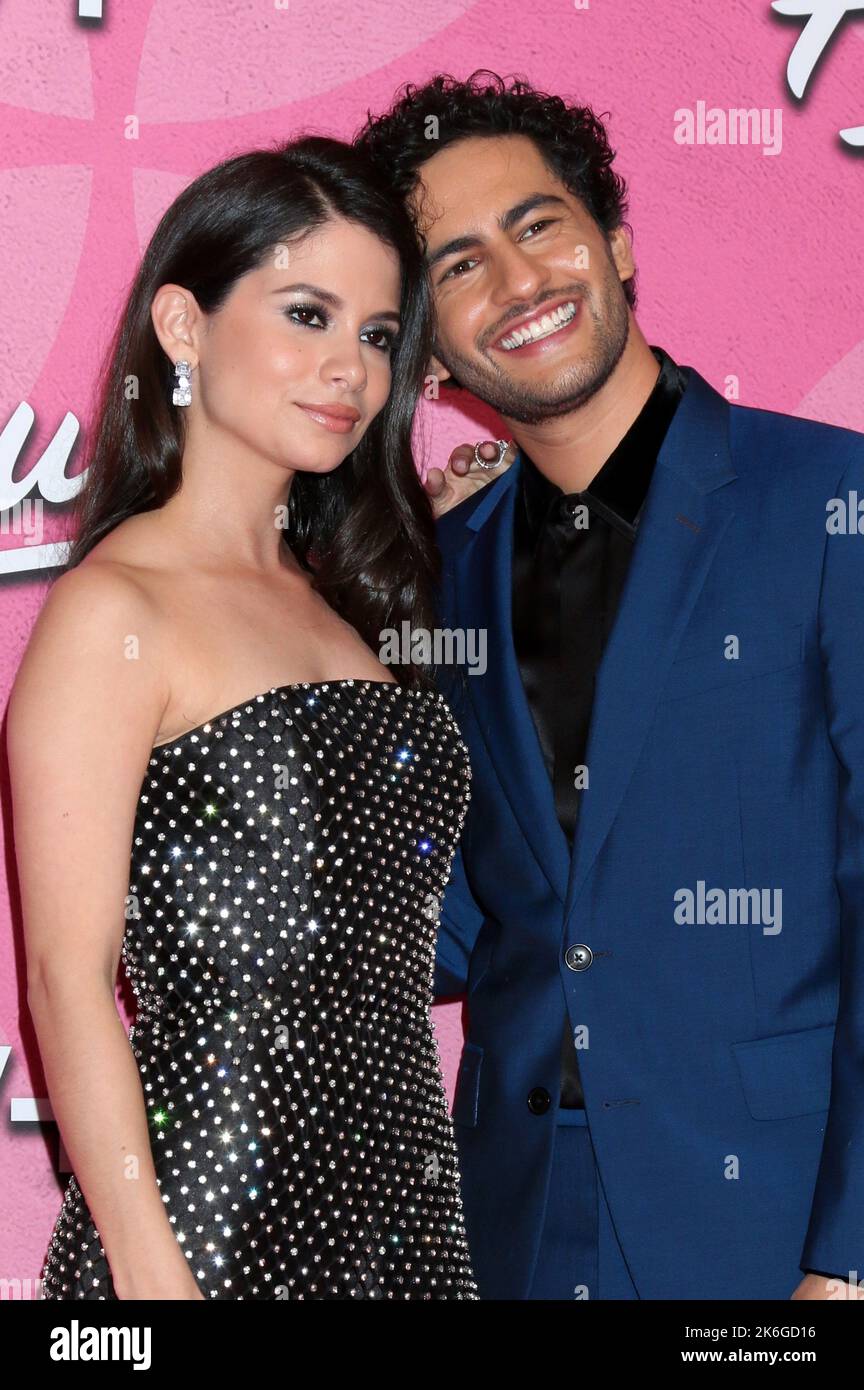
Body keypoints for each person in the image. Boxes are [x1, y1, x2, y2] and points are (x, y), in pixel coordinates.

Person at [356, 71, 864, 1300]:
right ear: (427, 339)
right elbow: (457, 925)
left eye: (537, 226)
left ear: (616, 243)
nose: (517, 281)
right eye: (457, 264)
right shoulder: (441, 574)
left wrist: (844, 1264)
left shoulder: (826, 507)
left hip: (768, 1221)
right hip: (517, 1221)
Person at [8, 136, 479, 1300]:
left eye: (376, 336)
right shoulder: (114, 609)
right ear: (182, 324)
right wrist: (152, 1277)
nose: (351, 372)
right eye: (306, 314)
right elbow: (69, 982)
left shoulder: (351, 603)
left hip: (407, 1222)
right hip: (206, 1225)